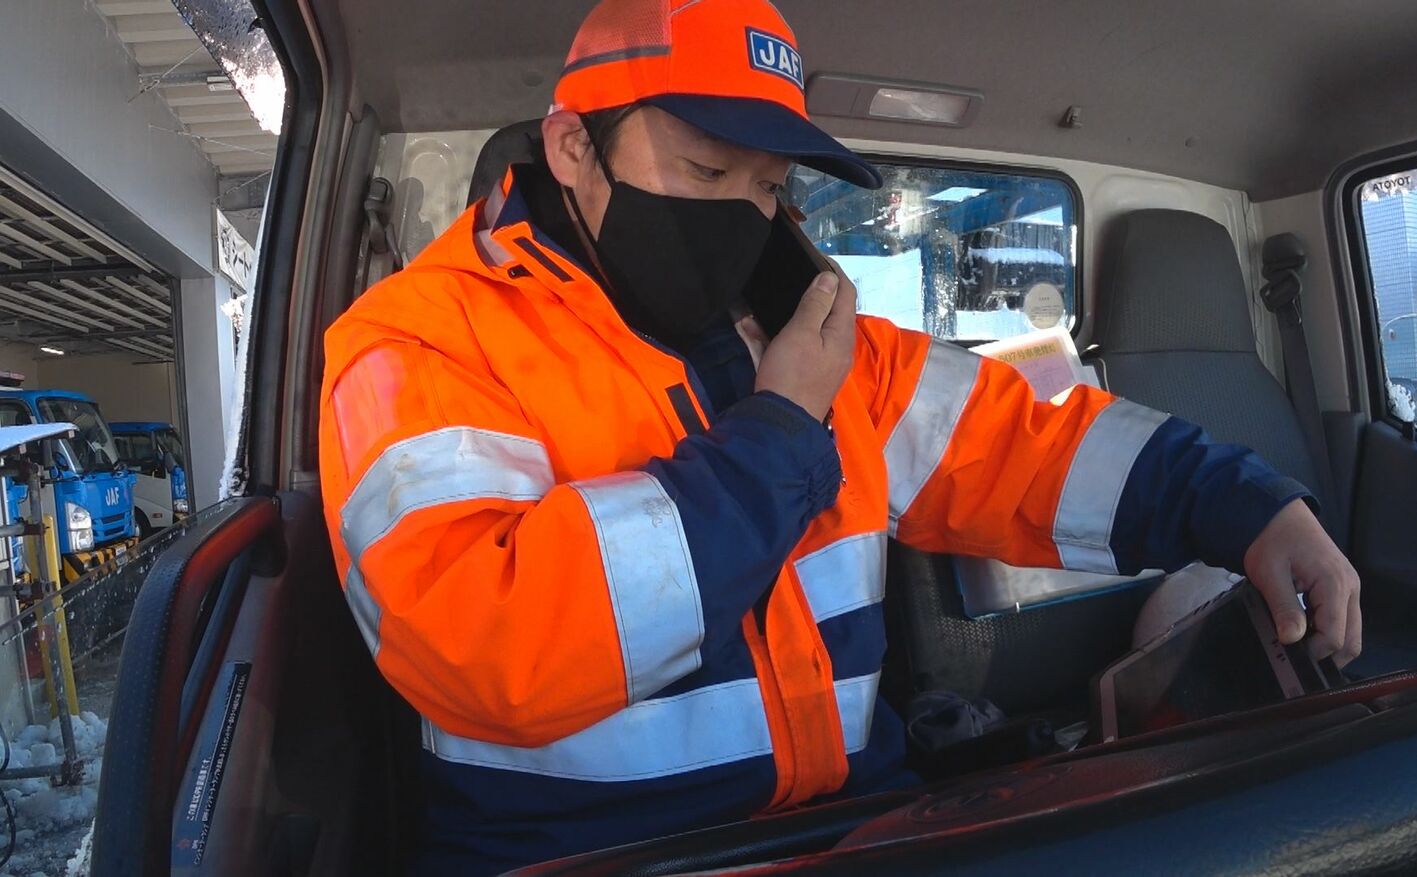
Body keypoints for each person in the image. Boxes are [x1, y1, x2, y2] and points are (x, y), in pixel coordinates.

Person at [318, 0, 1362, 871]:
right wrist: (777, 437)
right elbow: (479, 640)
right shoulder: (416, 342)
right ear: (572, 146)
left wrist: (1247, 504)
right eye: (703, 169)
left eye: (769, 187)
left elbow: (1024, 442)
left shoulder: (816, 339)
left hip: (849, 834)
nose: (743, 215)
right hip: (593, 857)